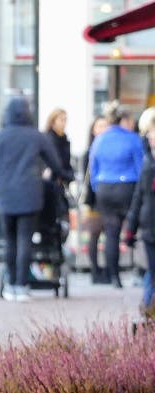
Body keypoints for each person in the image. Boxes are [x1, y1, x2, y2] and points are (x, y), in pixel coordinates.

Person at [0, 97, 72, 302]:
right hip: (30, 195)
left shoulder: (0, 137)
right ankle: (21, 286)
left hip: (6, 195)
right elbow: (56, 164)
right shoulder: (36, 137)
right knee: (25, 241)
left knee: (9, 241)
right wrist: (64, 175)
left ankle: (10, 286)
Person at [89, 107, 145, 288]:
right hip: (128, 186)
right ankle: (141, 270)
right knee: (139, 228)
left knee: (111, 234)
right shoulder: (132, 139)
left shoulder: (100, 139)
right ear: (124, 121)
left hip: (105, 187)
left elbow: (93, 168)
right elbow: (140, 167)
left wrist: (97, 187)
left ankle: (114, 277)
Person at [125, 128, 155, 316]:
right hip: (150, 227)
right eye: (151, 139)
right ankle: (147, 310)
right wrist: (131, 229)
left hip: (149, 225)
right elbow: (138, 197)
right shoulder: (147, 165)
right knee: (152, 271)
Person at [82, 115, 110, 283]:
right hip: (94, 199)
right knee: (94, 234)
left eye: (105, 126)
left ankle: (108, 269)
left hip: (109, 199)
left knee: (110, 235)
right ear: (93, 130)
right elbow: (88, 177)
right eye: (99, 126)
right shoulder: (90, 151)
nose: (102, 129)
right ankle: (95, 269)